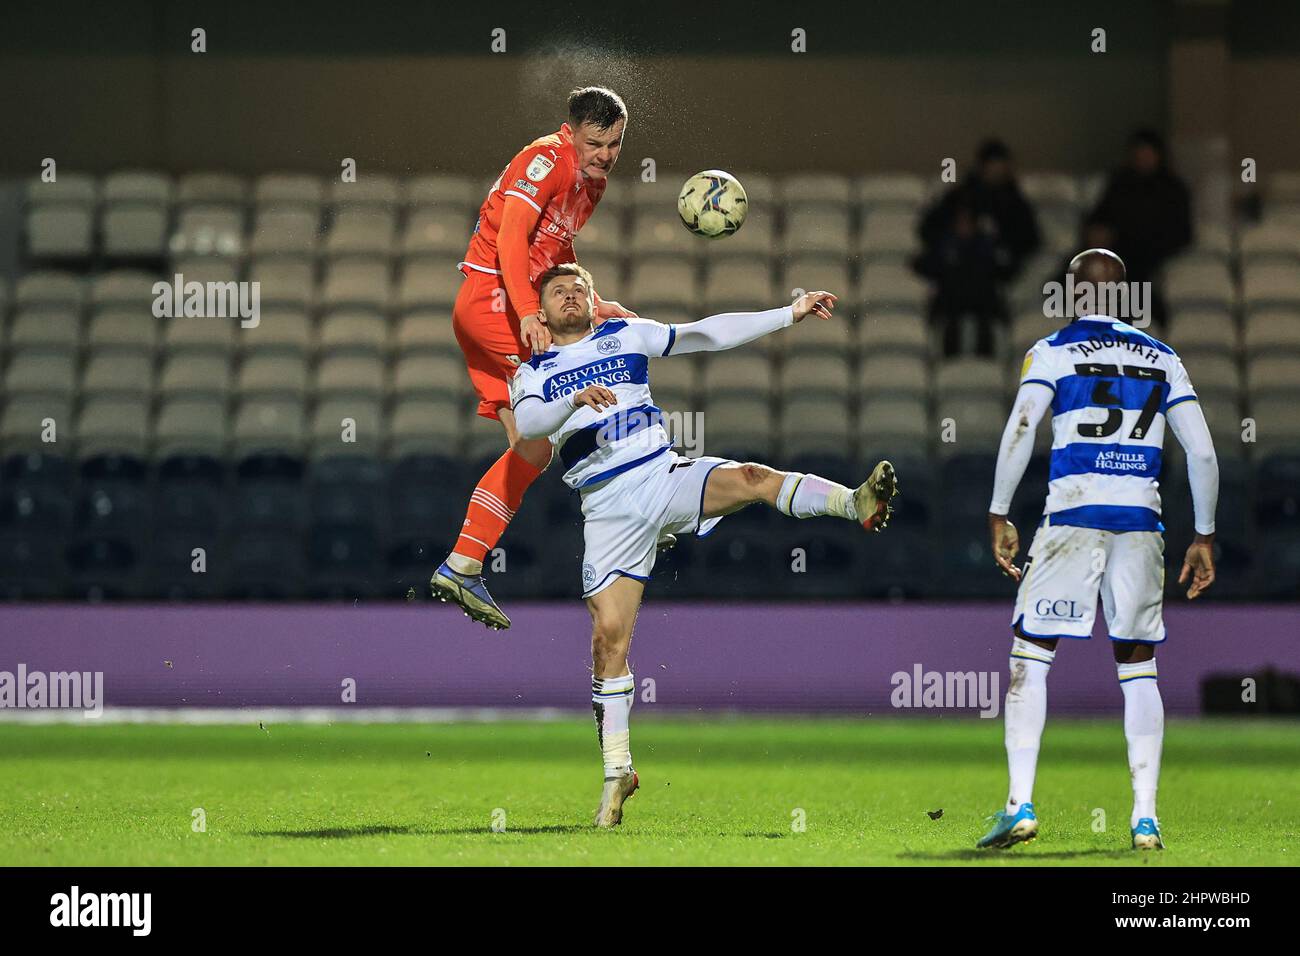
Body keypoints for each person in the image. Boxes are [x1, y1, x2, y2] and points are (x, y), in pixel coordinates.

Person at [509, 263, 898, 826]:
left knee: (752, 477)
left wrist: (787, 313)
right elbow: (529, 424)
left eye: (580, 289)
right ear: (541, 311)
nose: (570, 296)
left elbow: (707, 332)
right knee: (607, 640)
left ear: (595, 301)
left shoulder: (627, 334)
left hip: (662, 474)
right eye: (557, 292)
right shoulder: (534, 371)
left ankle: (853, 502)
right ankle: (618, 772)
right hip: (607, 507)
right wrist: (573, 401)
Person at [979, 248, 1219, 851]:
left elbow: (1022, 426)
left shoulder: (1053, 351)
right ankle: (1145, 819)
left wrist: (1000, 511)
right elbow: (1202, 453)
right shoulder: (1163, 358)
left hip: (1073, 517)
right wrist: (1204, 534)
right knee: (1138, 667)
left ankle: (1019, 804)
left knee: (1031, 655)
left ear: (1071, 294)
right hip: (1140, 524)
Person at [430, 87, 636, 630]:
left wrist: (592, 300)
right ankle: (635, 511)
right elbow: (513, 238)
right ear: (572, 132)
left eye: (615, 144)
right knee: (571, 395)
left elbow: (555, 251)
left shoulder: (592, 182)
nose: (605, 155)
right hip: (494, 301)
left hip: (497, 307)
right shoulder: (545, 158)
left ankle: (463, 564)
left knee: (532, 446)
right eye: (595, 143)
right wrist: (526, 311)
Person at [914, 139, 1040, 356]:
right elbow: (928, 230)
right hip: (953, 275)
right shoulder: (960, 196)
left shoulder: (1014, 202)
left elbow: (1028, 240)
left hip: (990, 274)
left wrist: (999, 245)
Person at [1087, 129, 1193, 327]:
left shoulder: (1172, 189)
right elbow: (1099, 216)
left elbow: (1181, 232)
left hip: (1149, 250)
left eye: (1147, 153)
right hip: (1115, 247)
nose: (1143, 159)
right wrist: (1097, 232)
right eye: (1138, 153)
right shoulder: (1119, 183)